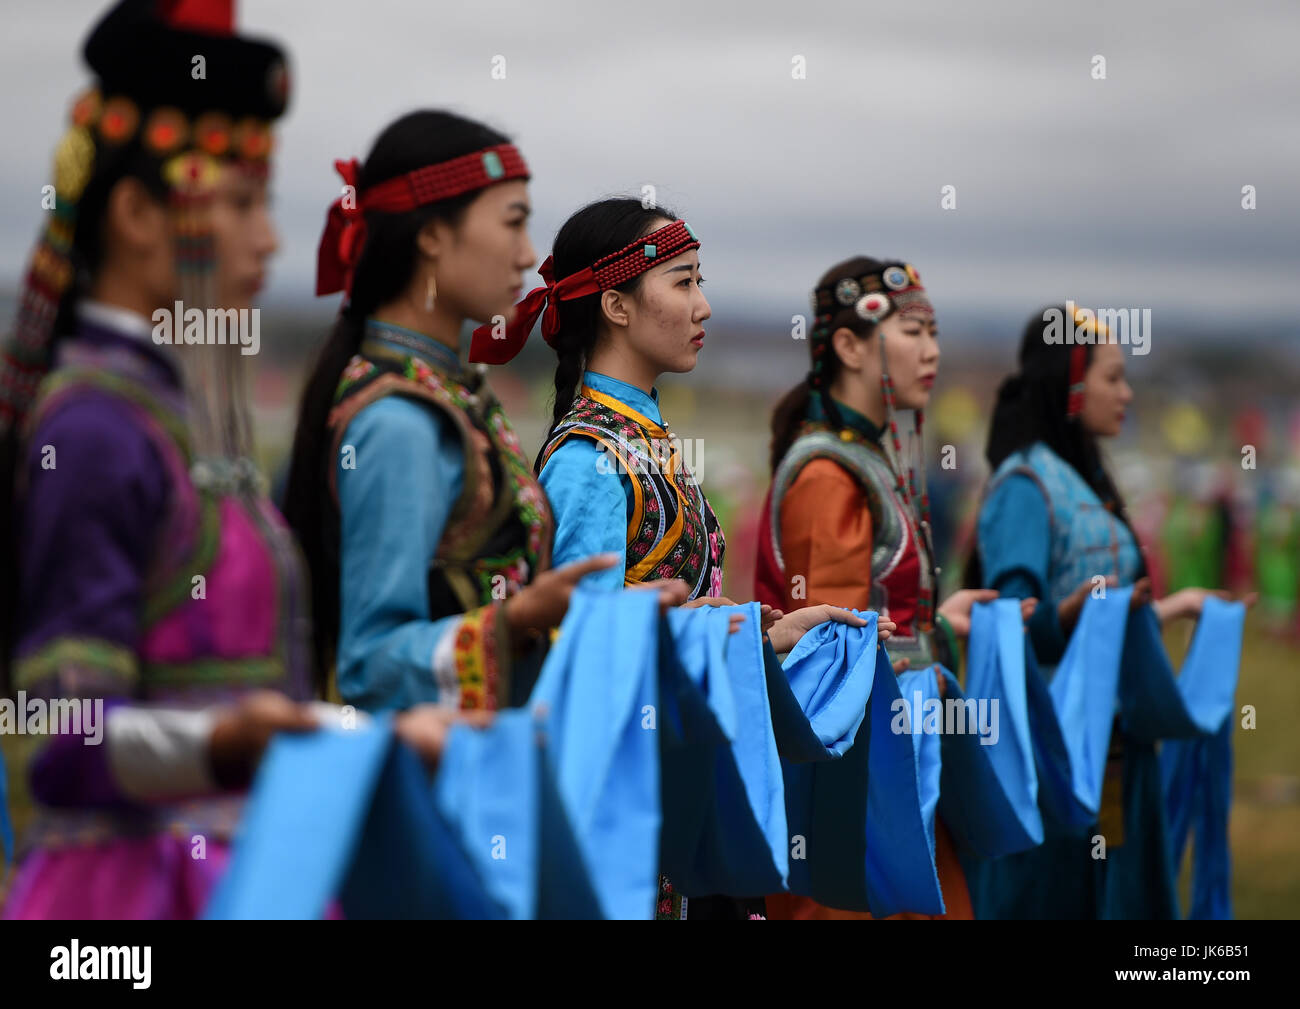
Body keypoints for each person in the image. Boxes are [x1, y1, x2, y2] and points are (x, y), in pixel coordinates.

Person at [490, 198, 873, 918]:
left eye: (701, 282)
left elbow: (665, 618)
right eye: (684, 282)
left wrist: (763, 633)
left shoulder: (641, 438)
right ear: (617, 306)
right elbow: (578, 655)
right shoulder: (589, 460)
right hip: (628, 815)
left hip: (676, 787)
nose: (703, 305)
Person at [285, 119, 687, 716]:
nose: (528, 255)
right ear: (432, 236)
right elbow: (369, 664)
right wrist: (520, 618)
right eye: (513, 221)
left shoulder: (452, 396)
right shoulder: (399, 421)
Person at [754, 255, 1029, 920]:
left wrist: (934, 628)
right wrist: (921, 663)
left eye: (933, 332)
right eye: (912, 332)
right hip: (859, 799)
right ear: (848, 345)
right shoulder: (829, 474)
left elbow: (878, 616)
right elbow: (831, 664)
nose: (932, 351)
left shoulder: (868, 457)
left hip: (898, 769)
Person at [968, 304, 1239, 918]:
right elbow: (1003, 624)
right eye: (1113, 377)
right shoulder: (1025, 486)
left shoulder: (1084, 480)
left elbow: (1104, 618)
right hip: (1056, 758)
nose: (1128, 392)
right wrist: (1066, 615)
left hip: (1115, 746)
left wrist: (1175, 608)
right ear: (1071, 384)